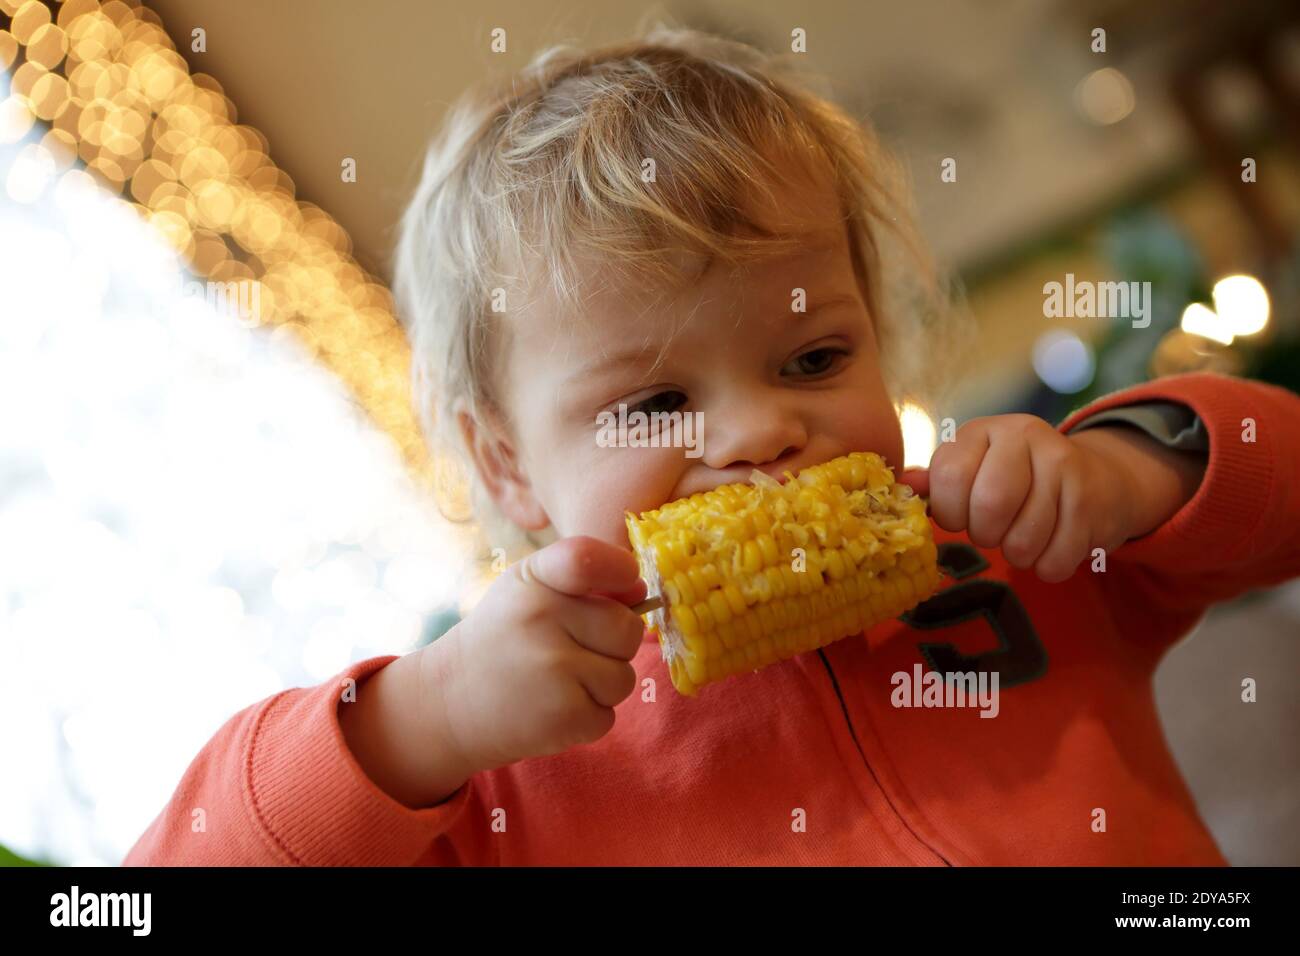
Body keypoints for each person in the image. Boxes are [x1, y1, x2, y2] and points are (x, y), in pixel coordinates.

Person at [124, 25, 1300, 866]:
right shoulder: (499, 766)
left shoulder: (1015, 552)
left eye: (813, 359)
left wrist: (1141, 468)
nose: (755, 431)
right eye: (651, 405)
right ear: (506, 466)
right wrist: (412, 725)